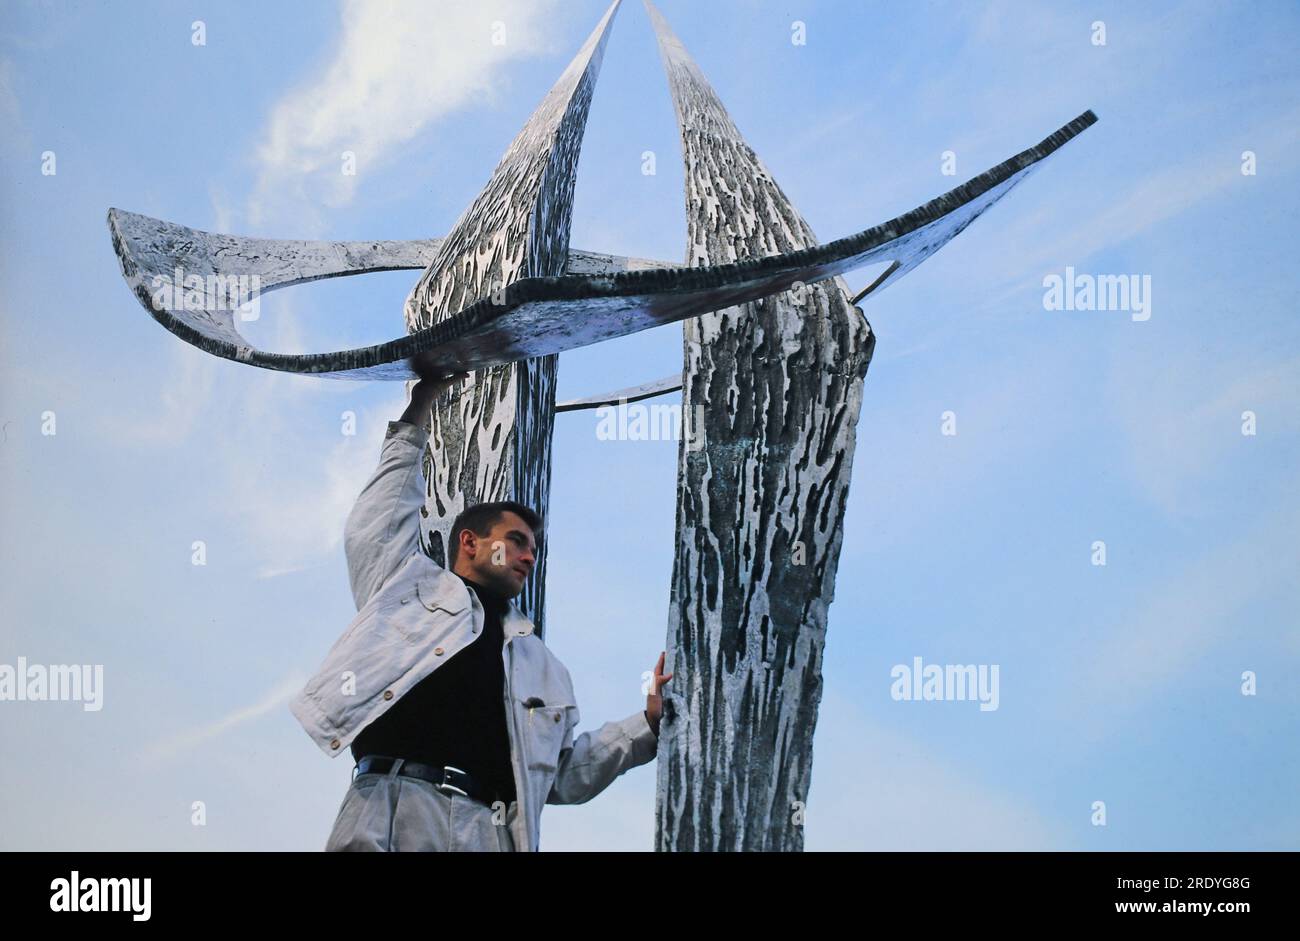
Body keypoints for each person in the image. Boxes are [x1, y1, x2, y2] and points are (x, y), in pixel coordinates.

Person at [289, 364, 672, 851]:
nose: (529, 555)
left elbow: (562, 775)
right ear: (469, 542)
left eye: (533, 548)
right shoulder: (407, 590)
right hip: (392, 805)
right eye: (515, 541)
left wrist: (646, 726)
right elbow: (376, 521)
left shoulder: (542, 666)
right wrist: (420, 404)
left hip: (488, 829)